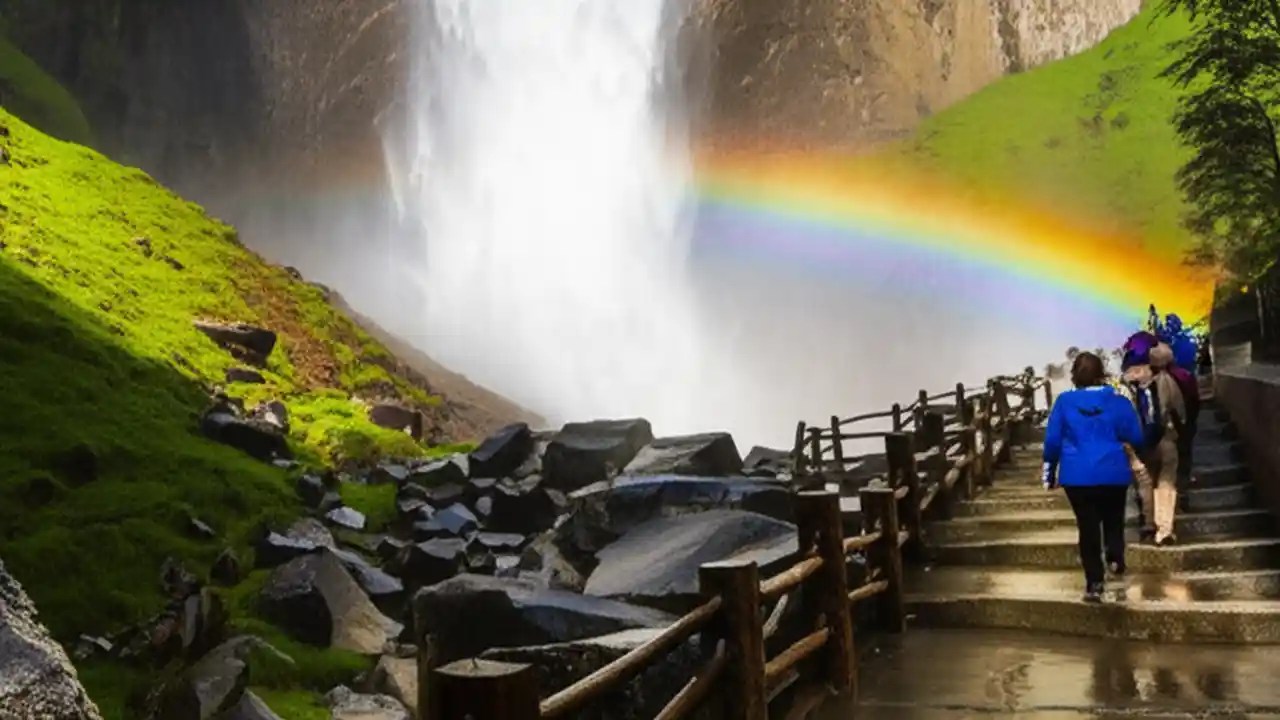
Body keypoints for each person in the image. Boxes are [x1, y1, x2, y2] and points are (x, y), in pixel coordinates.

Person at [1042, 352, 1145, 602]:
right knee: (1113, 518)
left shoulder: (1064, 403)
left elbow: (1053, 441)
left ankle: (1094, 583)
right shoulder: (1118, 401)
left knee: (1087, 528)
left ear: (1074, 375)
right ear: (1101, 373)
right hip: (1113, 471)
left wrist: (1049, 471)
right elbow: (1136, 435)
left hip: (1077, 476)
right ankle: (1115, 557)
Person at [1123, 347, 1186, 546]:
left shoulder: (1127, 389)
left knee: (1145, 483)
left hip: (1140, 443)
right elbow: (1180, 411)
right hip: (1166, 438)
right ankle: (1164, 529)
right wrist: (1180, 433)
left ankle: (1149, 524)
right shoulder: (1167, 381)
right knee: (1166, 480)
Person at [1151, 343, 1199, 508]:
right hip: (1183, 425)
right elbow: (1194, 400)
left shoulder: (1152, 380)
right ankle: (1183, 495)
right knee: (1183, 461)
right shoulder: (1184, 375)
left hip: (1164, 430)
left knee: (1162, 470)